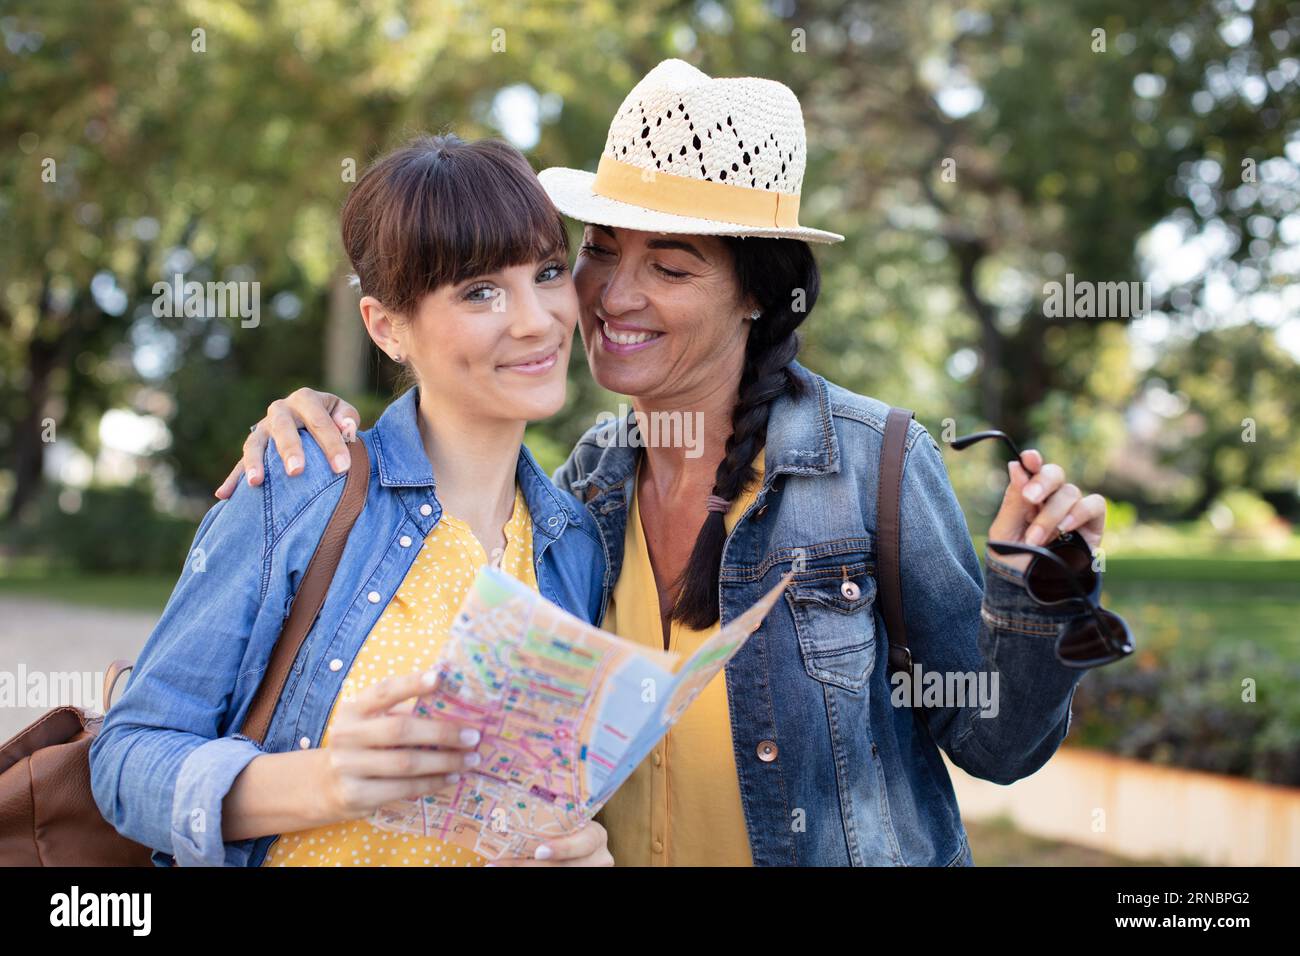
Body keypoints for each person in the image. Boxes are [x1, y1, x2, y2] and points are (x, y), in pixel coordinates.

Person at [218, 60, 1107, 866]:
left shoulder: (872, 463)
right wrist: (331, 427)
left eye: (671, 269)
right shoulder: (581, 492)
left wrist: (1034, 592)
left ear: (758, 293)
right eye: (600, 251)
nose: (616, 295)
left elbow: (998, 746)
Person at [91, 135, 613, 867]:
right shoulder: (302, 487)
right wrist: (330, 779)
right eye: (480, 291)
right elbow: (125, 761)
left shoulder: (576, 547)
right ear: (386, 327)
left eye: (550, 272)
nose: (536, 319)